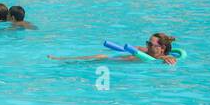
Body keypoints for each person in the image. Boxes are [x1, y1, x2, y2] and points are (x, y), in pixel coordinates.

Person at [49, 32, 179, 65]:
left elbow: (170, 58)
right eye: (147, 43)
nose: (147, 46)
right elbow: (135, 47)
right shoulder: (145, 50)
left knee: (101, 57)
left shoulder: (163, 57)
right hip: (120, 58)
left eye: (150, 44)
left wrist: (170, 59)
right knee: (100, 56)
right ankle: (65, 59)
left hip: (118, 62)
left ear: (162, 48)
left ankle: (62, 59)